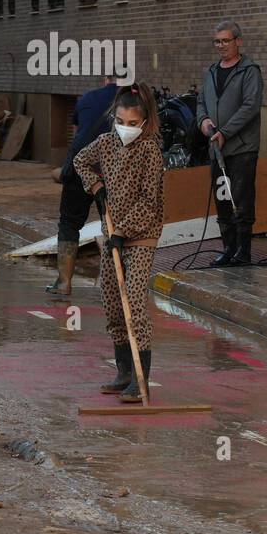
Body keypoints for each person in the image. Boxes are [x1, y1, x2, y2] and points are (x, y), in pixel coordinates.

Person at [73, 85, 167, 404]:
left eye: (132, 123)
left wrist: (122, 231)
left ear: (144, 122)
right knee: (112, 300)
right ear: (114, 117)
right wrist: (96, 186)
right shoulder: (105, 143)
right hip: (112, 234)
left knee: (134, 302)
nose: (125, 128)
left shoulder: (150, 152)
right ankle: (124, 371)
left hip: (140, 235)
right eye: (121, 121)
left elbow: (149, 201)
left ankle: (142, 377)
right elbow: (79, 162)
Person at [196, 20, 264, 267]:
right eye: (217, 41)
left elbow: (250, 106)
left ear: (238, 41)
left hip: (242, 148)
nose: (221, 46)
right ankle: (228, 248)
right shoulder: (211, 71)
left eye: (226, 40)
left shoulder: (250, 71)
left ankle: (243, 252)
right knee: (222, 198)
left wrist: (225, 131)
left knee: (242, 199)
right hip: (216, 148)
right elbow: (201, 102)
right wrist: (203, 121)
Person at [45, 75, 117, 295]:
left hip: (80, 166)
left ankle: (64, 282)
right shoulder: (134, 100)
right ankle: (116, 285)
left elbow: (77, 137)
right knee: (115, 225)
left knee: (69, 222)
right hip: (114, 170)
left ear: (107, 79)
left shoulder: (87, 97)